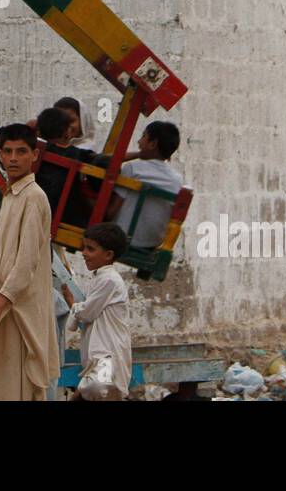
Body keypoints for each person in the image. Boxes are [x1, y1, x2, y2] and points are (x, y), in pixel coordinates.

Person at [0, 123, 59, 401]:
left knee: (17, 389)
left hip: (18, 312)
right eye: (7, 151)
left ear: (34, 155)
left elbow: (26, 264)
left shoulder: (33, 198)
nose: (13, 158)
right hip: (6, 309)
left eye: (21, 152)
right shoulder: (11, 197)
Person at [62, 222, 132, 400]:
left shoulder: (109, 279)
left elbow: (86, 313)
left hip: (108, 352)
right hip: (100, 353)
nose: (84, 254)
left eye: (90, 249)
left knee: (98, 386)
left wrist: (72, 303)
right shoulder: (99, 277)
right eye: (84, 248)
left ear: (108, 255)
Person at [108, 121, 183, 250]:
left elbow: (112, 211)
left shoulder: (133, 168)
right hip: (152, 243)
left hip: (121, 237)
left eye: (143, 136)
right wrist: (140, 154)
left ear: (152, 144)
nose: (138, 142)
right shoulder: (177, 179)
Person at [34, 106, 110, 227]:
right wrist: (138, 154)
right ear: (67, 133)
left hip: (36, 210)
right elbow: (103, 159)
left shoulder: (35, 150)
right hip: (65, 217)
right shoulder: (76, 154)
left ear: (39, 131)